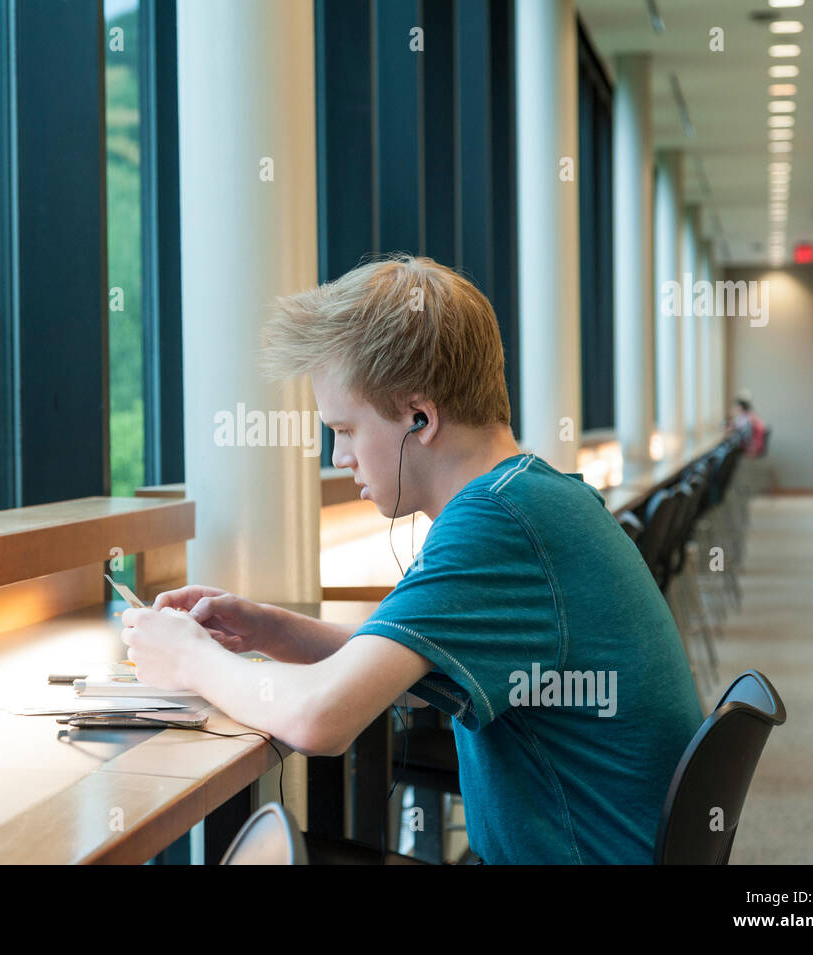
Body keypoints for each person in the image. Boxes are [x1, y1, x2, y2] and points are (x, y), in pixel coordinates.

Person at [119, 253, 703, 864]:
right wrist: (272, 628)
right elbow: (416, 676)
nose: (339, 457)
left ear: (419, 417)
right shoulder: (533, 495)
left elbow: (321, 720)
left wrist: (188, 658)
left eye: (344, 430)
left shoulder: (496, 524)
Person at [730, 390, 767, 458]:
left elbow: (738, 428)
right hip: (754, 444)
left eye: (736, 406)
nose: (734, 408)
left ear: (740, 406)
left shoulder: (747, 417)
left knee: (728, 450)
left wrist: (732, 428)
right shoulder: (750, 415)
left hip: (753, 447)